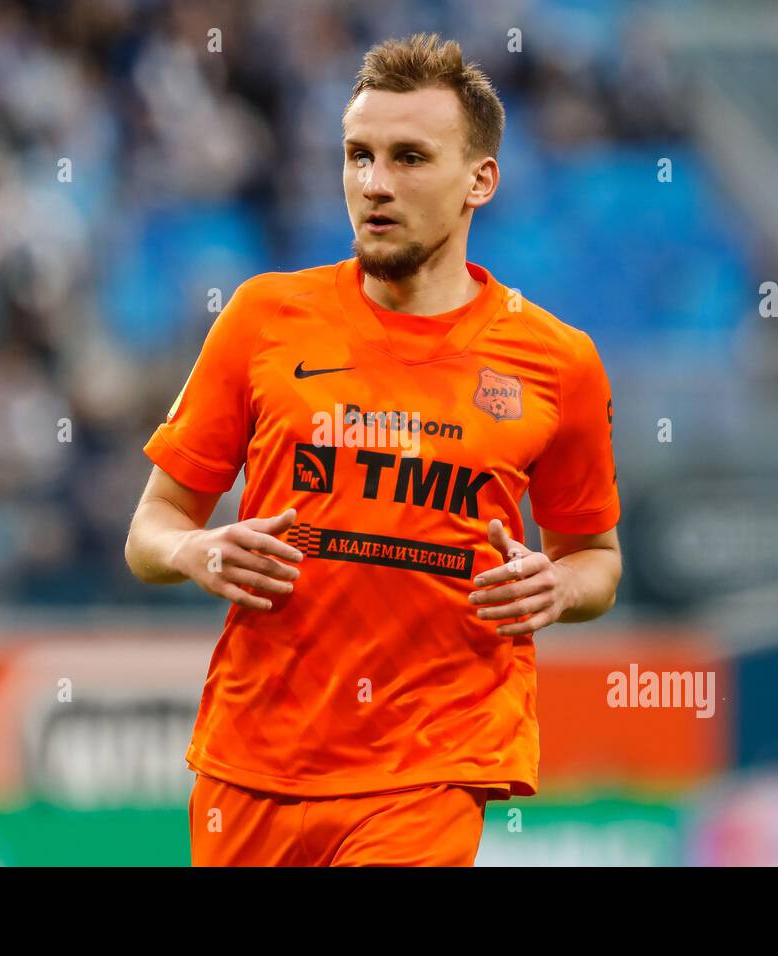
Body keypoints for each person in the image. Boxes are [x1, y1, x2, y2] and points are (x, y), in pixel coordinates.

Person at [125, 33, 622, 866]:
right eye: (358, 156)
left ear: (480, 181)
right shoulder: (262, 318)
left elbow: (597, 562)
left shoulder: (557, 361)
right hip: (253, 765)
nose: (374, 184)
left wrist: (555, 584)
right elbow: (150, 530)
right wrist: (195, 549)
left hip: (430, 767)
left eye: (409, 158)